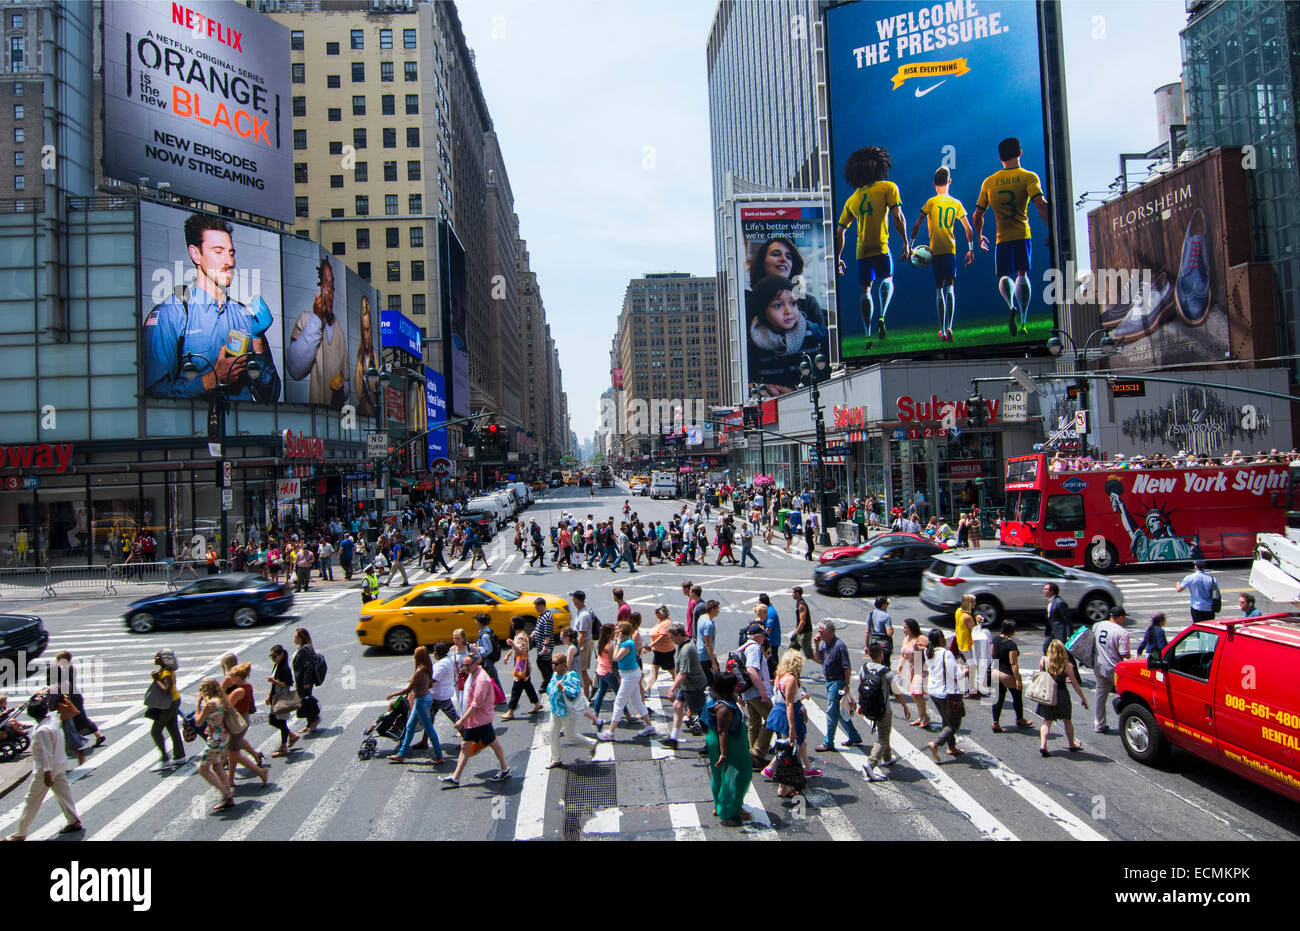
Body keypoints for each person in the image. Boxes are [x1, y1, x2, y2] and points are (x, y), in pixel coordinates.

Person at [142, 212, 280, 402]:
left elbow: (270, 396)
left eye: (231, 253)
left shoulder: (245, 317)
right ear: (195, 254)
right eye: (218, 251)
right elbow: (153, 394)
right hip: (194, 430)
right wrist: (211, 380)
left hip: (241, 430)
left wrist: (257, 341)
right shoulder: (170, 315)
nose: (229, 262)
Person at [970, 137, 1050, 336]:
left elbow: (977, 214)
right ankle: (1023, 320)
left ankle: (1010, 306)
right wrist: (1052, 229)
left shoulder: (989, 181)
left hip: (1001, 238)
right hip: (1022, 234)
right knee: (1022, 273)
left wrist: (979, 237)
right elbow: (1041, 204)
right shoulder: (1028, 177)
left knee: (1004, 276)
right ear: (1020, 153)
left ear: (999, 157)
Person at [834, 145, 908, 350]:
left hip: (862, 250)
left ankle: (867, 336)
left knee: (866, 289)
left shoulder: (852, 199)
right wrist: (905, 242)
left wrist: (838, 258)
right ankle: (882, 315)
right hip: (881, 246)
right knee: (888, 278)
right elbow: (898, 217)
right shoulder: (888, 187)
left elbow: (840, 232)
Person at [907, 165, 976, 342]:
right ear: (949, 181)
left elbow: (917, 224)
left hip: (935, 250)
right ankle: (950, 327)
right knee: (951, 287)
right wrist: (970, 249)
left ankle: (942, 331)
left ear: (933, 183)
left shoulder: (930, 202)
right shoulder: (956, 203)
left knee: (939, 288)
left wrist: (911, 246)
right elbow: (968, 229)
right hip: (950, 249)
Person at [6, 696, 82, 840]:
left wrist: (47, 774)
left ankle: (20, 834)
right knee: (64, 794)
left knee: (32, 801)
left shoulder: (42, 730)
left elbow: (47, 754)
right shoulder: (53, 720)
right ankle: (74, 821)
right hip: (59, 765)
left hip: (46, 770)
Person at [286, 255, 350, 409]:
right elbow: (294, 370)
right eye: (325, 284)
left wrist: (341, 389)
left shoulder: (339, 331)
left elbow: (346, 380)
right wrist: (316, 319)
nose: (329, 292)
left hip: (337, 417)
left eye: (332, 287)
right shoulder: (306, 319)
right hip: (314, 416)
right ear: (319, 287)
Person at [442, 650, 512, 786]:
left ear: (476, 663)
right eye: (463, 665)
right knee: (465, 746)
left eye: (467, 665)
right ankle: (456, 778)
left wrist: (461, 720)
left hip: (481, 720)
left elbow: (475, 704)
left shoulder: (482, 679)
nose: (464, 668)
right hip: (473, 720)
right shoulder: (473, 674)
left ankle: (505, 768)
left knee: (492, 743)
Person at [763, 650, 819, 794]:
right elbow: (789, 704)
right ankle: (781, 781)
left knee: (792, 746)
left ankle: (780, 776)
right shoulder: (791, 679)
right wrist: (792, 728)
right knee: (790, 749)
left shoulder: (780, 676)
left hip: (778, 713)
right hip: (787, 715)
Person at [597, 621, 657, 741]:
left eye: (618, 629)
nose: (616, 631)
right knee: (637, 702)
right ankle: (650, 727)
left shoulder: (627, 644)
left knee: (618, 703)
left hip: (630, 676)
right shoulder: (625, 642)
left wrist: (618, 642)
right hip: (628, 675)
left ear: (623, 631)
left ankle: (610, 732)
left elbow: (615, 658)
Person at [859, 641, 910, 780]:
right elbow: (897, 692)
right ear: (881, 655)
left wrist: (860, 705)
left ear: (869, 654)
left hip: (869, 707)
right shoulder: (886, 672)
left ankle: (887, 757)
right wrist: (905, 707)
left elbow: (860, 688)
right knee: (883, 736)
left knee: (884, 732)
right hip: (884, 710)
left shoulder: (863, 668)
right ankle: (871, 763)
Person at [386, 646, 444, 765]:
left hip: (421, 701)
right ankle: (401, 754)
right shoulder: (427, 668)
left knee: (429, 728)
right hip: (425, 698)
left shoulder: (420, 671)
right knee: (410, 726)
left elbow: (408, 689)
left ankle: (439, 756)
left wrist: (392, 694)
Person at [814, 621, 863, 751]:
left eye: (821, 631)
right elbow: (819, 660)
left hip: (837, 682)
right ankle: (854, 735)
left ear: (830, 632)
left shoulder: (839, 646)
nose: (819, 634)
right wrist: (816, 644)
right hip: (829, 681)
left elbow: (846, 667)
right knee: (840, 712)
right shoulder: (824, 644)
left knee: (831, 712)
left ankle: (828, 742)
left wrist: (846, 684)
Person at [544, 651, 599, 769]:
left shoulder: (571, 676)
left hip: (567, 712)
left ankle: (591, 744)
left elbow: (574, 692)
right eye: (552, 663)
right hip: (555, 711)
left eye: (556, 663)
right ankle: (556, 759)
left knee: (570, 736)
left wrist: (563, 688)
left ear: (564, 664)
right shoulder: (554, 675)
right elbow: (549, 688)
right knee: (553, 733)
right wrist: (552, 689)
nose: (553, 666)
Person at [1036, 640, 1088, 756]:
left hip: (1048, 693)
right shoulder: (1067, 665)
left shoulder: (1044, 660)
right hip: (1062, 693)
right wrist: (1083, 698)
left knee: (1047, 721)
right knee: (1067, 720)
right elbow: (1075, 683)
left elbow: (1041, 675)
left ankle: (1043, 745)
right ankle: (1071, 744)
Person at [222, 663, 269, 787]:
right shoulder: (247, 686)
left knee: (235, 754)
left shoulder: (238, 691)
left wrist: (223, 689)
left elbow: (226, 706)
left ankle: (260, 772)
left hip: (236, 722)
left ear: (238, 677)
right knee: (233, 754)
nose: (230, 678)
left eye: (232, 676)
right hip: (243, 719)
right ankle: (230, 780)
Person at [194, 677, 237, 812]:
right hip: (223, 736)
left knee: (203, 769)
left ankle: (225, 793)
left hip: (215, 739)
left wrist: (198, 703)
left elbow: (198, 722)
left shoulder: (209, 704)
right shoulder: (222, 700)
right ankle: (228, 798)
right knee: (217, 766)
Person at [46, 651, 105, 749]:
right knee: (77, 719)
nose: (57, 662)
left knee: (78, 719)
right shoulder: (71, 668)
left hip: (72, 698)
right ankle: (91, 737)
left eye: (58, 660)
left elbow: (63, 684)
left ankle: (98, 736)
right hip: (75, 696)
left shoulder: (65, 670)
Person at [663, 623, 707, 749]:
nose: (671, 640)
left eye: (672, 637)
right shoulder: (682, 645)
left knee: (703, 715)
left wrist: (672, 689)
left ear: (678, 635)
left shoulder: (687, 649)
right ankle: (673, 738)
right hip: (685, 686)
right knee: (677, 706)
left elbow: (683, 673)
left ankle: (711, 743)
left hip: (693, 686)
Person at [923, 629, 965, 763]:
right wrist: (967, 670)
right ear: (941, 640)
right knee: (954, 723)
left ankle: (951, 747)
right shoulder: (946, 654)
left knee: (946, 719)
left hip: (934, 691)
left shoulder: (928, 652)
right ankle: (936, 743)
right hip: (947, 692)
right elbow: (957, 675)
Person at [1091, 606, 1131, 734]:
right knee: (1126, 696)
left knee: (1100, 695)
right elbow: (1124, 654)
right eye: (1123, 618)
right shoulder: (1122, 632)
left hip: (1098, 665)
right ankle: (1128, 724)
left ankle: (1099, 723)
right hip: (1114, 669)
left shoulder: (1098, 625)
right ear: (1120, 617)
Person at [739, 623, 773, 769]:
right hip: (756, 692)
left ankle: (752, 757)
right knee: (773, 719)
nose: (765, 639)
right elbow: (751, 670)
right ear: (758, 636)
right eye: (764, 636)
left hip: (747, 692)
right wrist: (763, 691)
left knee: (754, 722)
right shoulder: (754, 648)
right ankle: (757, 753)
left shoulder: (743, 647)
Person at [989, 620, 1032, 732]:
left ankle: (995, 722)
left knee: (999, 698)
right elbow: (1013, 663)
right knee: (1017, 696)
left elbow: (992, 654)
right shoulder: (1011, 644)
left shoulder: (995, 639)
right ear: (1012, 631)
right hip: (1007, 674)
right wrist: (1018, 679)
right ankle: (1020, 719)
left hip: (996, 672)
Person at [147, 649, 185, 769]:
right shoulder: (167, 671)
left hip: (169, 703)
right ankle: (179, 756)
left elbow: (166, 689)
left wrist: (156, 679)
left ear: (164, 659)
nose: (155, 658)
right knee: (172, 728)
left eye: (158, 657)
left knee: (155, 731)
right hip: (173, 701)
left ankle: (165, 759)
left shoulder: (166, 673)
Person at [266, 644, 301, 757]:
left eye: (275, 656)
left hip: (282, 698)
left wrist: (275, 681)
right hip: (275, 697)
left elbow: (288, 684)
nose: (273, 659)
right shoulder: (276, 665)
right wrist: (269, 696)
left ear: (281, 655)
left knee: (281, 721)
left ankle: (283, 746)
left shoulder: (285, 668)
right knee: (273, 720)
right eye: (271, 656)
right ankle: (291, 735)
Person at [501, 631, 542, 721]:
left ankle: (510, 711)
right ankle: (537, 703)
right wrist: (508, 655)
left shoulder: (520, 636)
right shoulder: (520, 635)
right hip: (523, 665)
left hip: (522, 665)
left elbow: (521, 650)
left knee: (516, 688)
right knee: (527, 685)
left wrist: (513, 644)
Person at [353, 295, 380, 417]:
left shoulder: (375, 357)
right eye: (363, 330)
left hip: (375, 414)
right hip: (362, 415)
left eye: (368, 330)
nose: (366, 335)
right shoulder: (358, 359)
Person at [291, 628, 321, 734]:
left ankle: (314, 719)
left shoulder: (305, 649)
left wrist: (306, 682)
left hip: (304, 681)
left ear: (301, 638)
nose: (293, 638)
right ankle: (310, 722)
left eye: (295, 636)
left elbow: (308, 666)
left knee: (305, 700)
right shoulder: (303, 648)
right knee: (304, 700)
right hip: (301, 680)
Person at [644, 605, 676, 692]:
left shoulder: (666, 623)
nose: (655, 615)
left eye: (657, 613)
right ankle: (648, 689)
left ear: (661, 613)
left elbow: (662, 636)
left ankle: (680, 685)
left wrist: (651, 645)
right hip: (659, 651)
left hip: (666, 651)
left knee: (671, 670)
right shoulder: (661, 621)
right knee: (654, 669)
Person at [790, 586, 815, 660]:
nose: (792, 594)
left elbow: (802, 621)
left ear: (797, 594)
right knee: (792, 650)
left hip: (805, 633)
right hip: (800, 632)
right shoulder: (798, 602)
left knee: (809, 655)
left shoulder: (802, 605)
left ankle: (824, 663)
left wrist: (795, 633)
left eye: (793, 593)